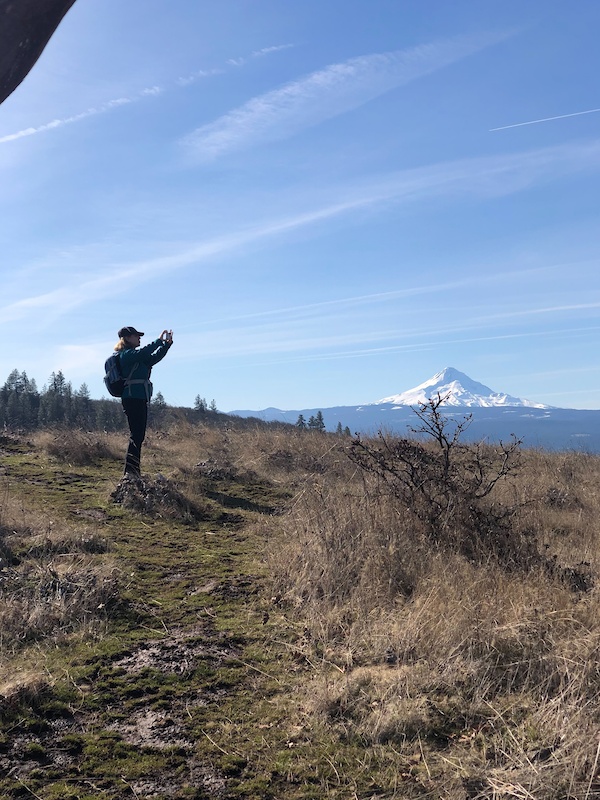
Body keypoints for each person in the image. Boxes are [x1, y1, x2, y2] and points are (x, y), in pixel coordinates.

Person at [114, 325, 173, 477]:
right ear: (127, 338)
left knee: (138, 435)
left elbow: (153, 358)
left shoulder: (136, 357)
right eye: (136, 336)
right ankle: (131, 472)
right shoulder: (126, 355)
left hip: (139, 398)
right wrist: (158, 341)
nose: (139, 338)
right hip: (132, 398)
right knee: (136, 435)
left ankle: (133, 471)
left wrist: (166, 345)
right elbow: (145, 352)